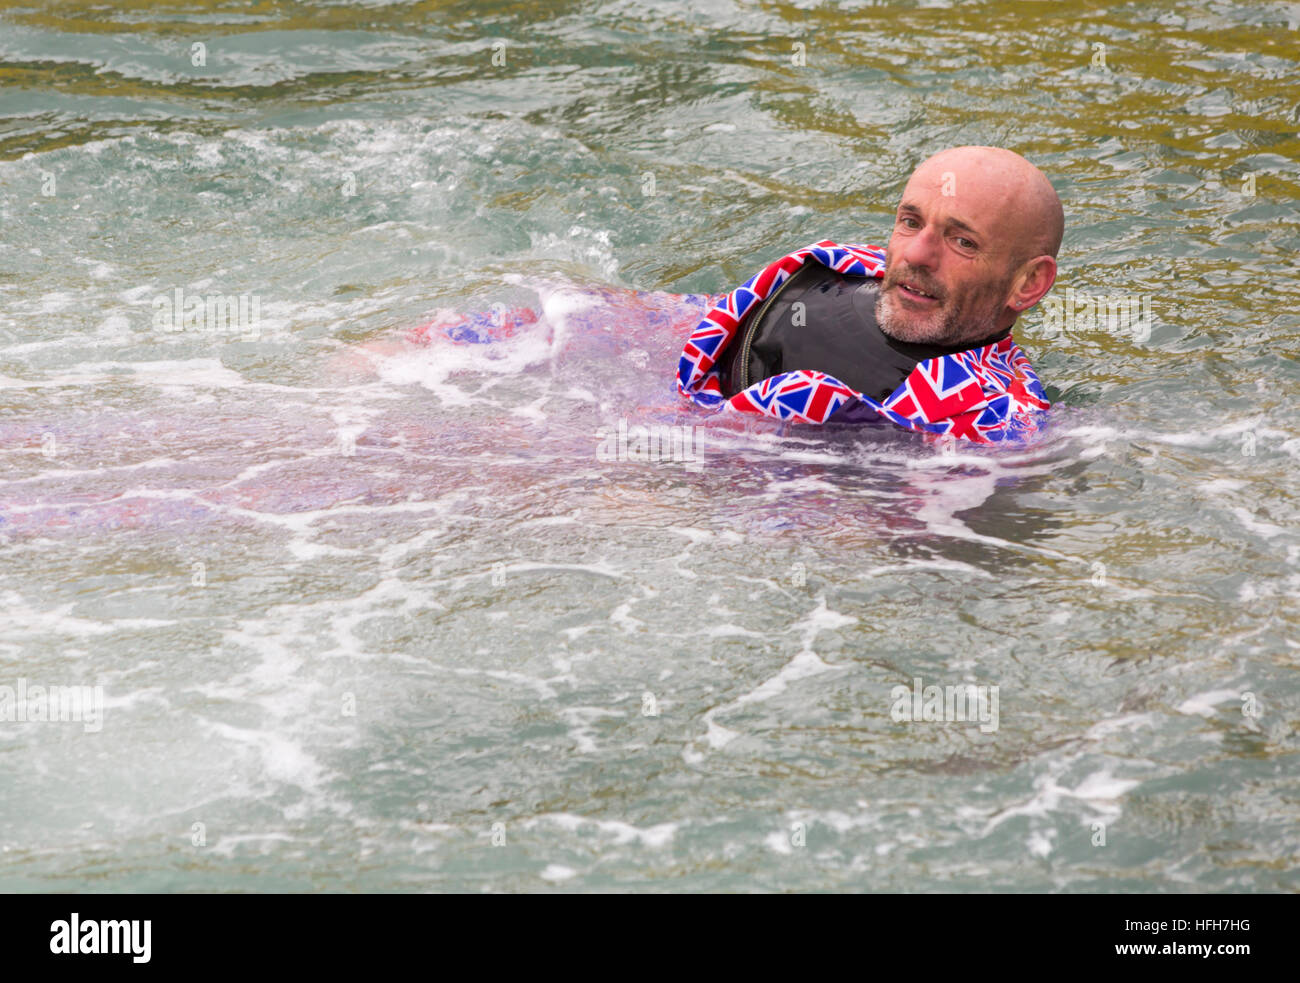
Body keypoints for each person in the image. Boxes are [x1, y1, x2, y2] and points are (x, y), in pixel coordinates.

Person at [677, 146, 1062, 444]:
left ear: (1028, 282)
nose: (914, 255)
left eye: (962, 242)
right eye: (910, 222)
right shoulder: (832, 270)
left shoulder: (995, 428)